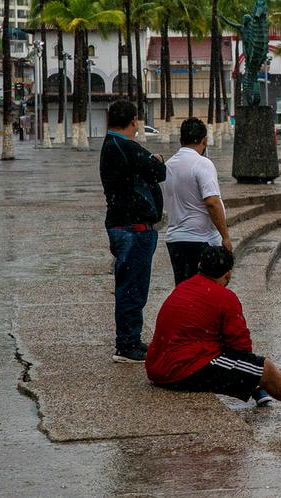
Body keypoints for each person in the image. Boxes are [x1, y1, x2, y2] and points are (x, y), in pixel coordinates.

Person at [146, 246, 281, 419]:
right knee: (264, 369)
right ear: (228, 274)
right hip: (181, 371)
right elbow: (241, 348)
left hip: (158, 366)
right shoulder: (225, 297)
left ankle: (256, 389)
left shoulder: (183, 287)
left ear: (200, 266)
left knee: (236, 361)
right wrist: (254, 375)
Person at [100, 99, 167, 363]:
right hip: (133, 230)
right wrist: (157, 160)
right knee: (132, 289)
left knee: (130, 286)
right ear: (133, 121)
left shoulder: (112, 145)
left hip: (125, 226)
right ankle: (127, 344)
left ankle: (130, 339)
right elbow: (159, 171)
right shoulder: (126, 146)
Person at [163, 118, 232, 286]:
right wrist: (225, 237)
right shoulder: (202, 164)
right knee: (205, 290)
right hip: (201, 240)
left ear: (181, 140)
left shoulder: (168, 166)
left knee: (184, 289)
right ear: (205, 140)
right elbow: (212, 202)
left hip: (175, 240)